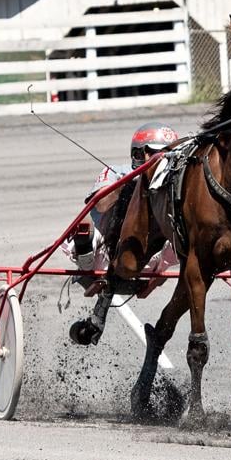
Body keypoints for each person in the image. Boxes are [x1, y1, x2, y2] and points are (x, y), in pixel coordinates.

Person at [62, 122, 180, 345]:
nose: (168, 161)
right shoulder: (116, 172)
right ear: (141, 153)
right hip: (105, 252)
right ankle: (87, 265)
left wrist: (157, 280)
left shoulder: (174, 184)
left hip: (149, 259)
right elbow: (102, 204)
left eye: (172, 155)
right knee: (85, 225)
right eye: (161, 154)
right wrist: (135, 188)